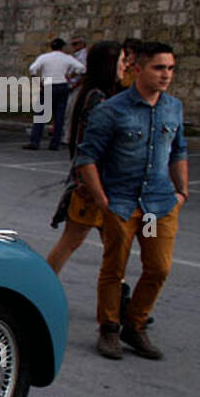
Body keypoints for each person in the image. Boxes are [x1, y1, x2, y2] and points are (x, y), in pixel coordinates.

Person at [74, 41, 187, 360]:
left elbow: (178, 150)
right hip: (122, 205)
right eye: (159, 68)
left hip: (156, 209)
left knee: (157, 267)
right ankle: (109, 327)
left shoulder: (173, 108)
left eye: (170, 68)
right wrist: (101, 199)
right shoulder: (112, 110)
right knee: (115, 267)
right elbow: (87, 156)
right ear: (138, 69)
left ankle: (134, 325)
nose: (166, 75)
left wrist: (182, 192)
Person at [46, 40, 126, 272]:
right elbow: (89, 145)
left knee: (111, 242)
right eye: (121, 61)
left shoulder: (97, 94)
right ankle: (41, 288)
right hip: (92, 185)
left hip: (99, 182)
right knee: (74, 241)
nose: (125, 67)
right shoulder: (97, 98)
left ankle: (117, 293)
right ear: (109, 64)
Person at [25, 37, 84, 149]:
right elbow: (82, 69)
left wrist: (38, 82)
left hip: (48, 83)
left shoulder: (44, 57)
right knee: (59, 115)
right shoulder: (67, 58)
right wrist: (70, 76)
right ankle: (55, 143)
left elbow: (32, 69)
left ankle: (35, 141)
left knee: (41, 114)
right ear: (62, 47)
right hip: (62, 85)